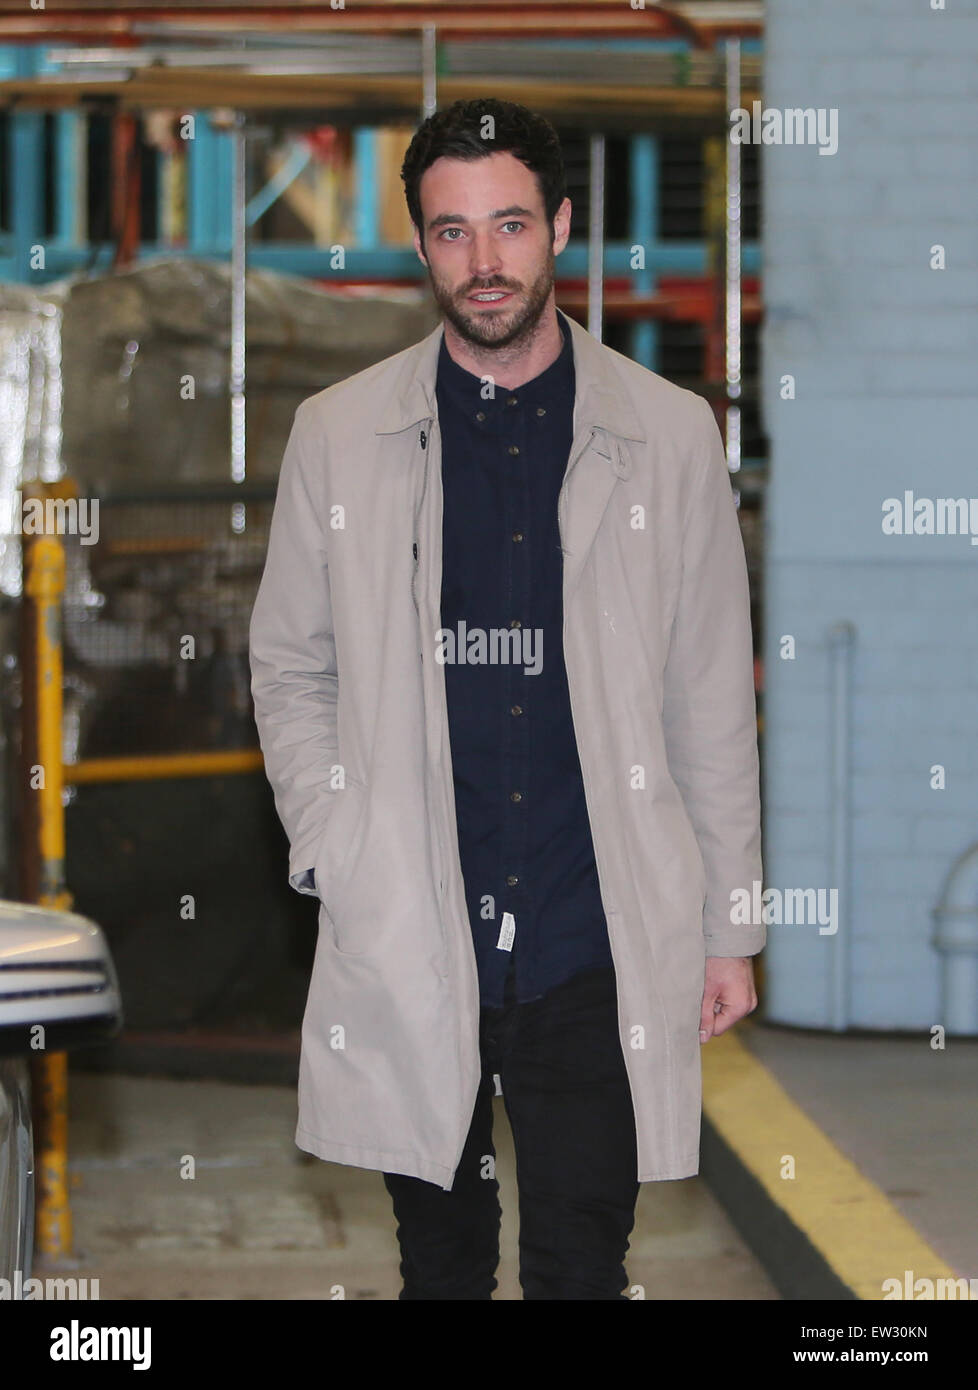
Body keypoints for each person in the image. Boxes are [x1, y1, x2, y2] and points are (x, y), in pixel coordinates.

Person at [249, 97, 764, 1300]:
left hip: (597, 928)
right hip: (416, 925)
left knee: (583, 1263)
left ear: (563, 228)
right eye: (452, 232)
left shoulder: (670, 434)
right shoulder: (339, 436)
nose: (485, 263)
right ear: (420, 245)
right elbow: (290, 663)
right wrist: (338, 842)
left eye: (511, 225)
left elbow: (708, 693)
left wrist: (729, 920)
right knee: (439, 1264)